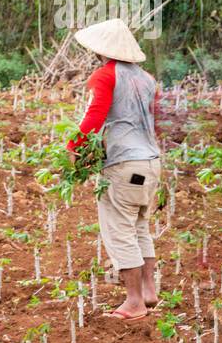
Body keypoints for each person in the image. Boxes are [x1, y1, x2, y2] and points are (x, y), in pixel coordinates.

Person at [66, 17, 161, 320]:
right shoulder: (147, 79)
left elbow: (96, 114)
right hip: (151, 163)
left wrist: (74, 147)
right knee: (139, 227)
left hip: (123, 164)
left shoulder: (105, 76)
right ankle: (148, 290)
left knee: (119, 230)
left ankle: (134, 302)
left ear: (100, 50)